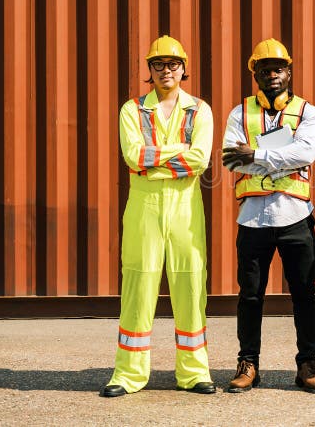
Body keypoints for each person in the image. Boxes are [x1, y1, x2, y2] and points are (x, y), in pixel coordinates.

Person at [101, 35, 215, 397]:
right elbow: (134, 157)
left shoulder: (200, 109)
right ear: (149, 70)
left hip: (185, 210)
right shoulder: (131, 109)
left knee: (191, 284)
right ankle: (128, 374)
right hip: (144, 210)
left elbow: (200, 160)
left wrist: (158, 159)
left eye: (173, 64)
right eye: (158, 65)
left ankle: (194, 372)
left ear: (183, 68)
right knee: (138, 284)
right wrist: (178, 152)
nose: (166, 71)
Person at [221, 38, 315, 394]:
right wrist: (280, 152)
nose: (272, 75)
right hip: (253, 220)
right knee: (250, 295)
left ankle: (307, 364)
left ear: (289, 71)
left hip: (296, 215)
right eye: (264, 69)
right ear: (256, 74)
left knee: (304, 294)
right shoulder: (240, 113)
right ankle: (248, 363)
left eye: (278, 68)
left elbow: (306, 153)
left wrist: (257, 154)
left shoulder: (309, 112)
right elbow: (231, 157)